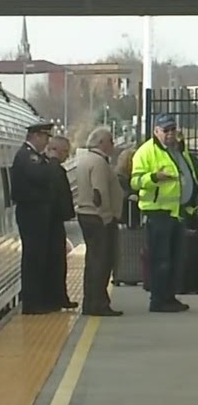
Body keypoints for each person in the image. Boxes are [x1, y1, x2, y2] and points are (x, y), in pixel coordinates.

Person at [130, 114, 197, 312]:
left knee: (175, 257)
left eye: (172, 130)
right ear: (156, 131)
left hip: (177, 212)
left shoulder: (178, 151)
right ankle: (158, 299)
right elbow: (135, 181)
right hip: (158, 212)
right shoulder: (146, 152)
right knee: (161, 258)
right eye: (165, 130)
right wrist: (154, 178)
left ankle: (169, 296)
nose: (169, 134)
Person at [11, 121, 63, 314]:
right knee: (34, 258)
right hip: (31, 214)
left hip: (36, 214)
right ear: (36, 136)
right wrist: (53, 163)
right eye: (46, 138)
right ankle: (32, 303)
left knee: (39, 257)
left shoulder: (33, 156)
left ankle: (39, 300)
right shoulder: (27, 156)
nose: (47, 143)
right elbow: (41, 177)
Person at [71, 127, 123, 316]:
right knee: (102, 261)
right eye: (110, 140)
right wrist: (107, 217)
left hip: (87, 215)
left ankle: (91, 301)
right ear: (101, 143)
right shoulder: (99, 163)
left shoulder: (84, 160)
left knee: (93, 261)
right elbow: (99, 193)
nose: (113, 145)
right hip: (98, 217)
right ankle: (99, 304)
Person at [47, 135, 78, 310]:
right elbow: (59, 197)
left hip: (53, 222)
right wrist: (67, 213)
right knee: (57, 263)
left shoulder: (53, 168)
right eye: (65, 151)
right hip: (54, 223)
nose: (67, 155)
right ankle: (59, 298)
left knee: (58, 262)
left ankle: (59, 297)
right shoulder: (55, 170)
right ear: (54, 150)